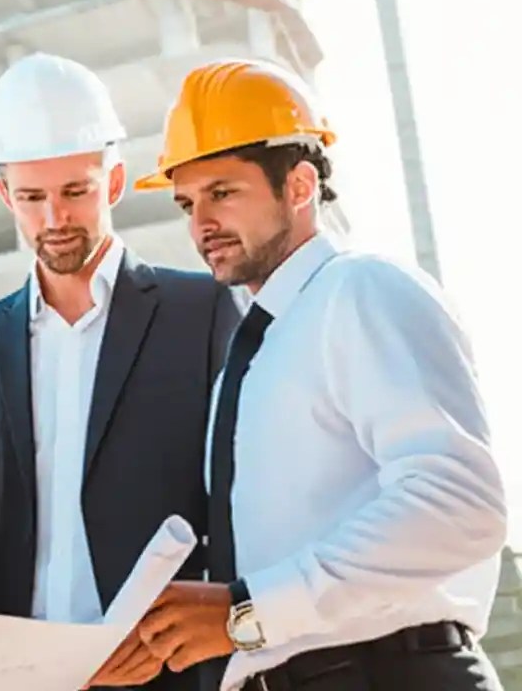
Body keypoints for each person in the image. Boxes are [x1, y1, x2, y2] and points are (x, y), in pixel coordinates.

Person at [132, 59, 507, 691]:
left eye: (223, 193)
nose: (201, 224)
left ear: (300, 187)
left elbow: (459, 504)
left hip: (390, 673)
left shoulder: (361, 289)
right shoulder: (253, 355)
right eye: (187, 203)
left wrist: (246, 612)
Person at [0, 52, 240, 689]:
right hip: (27, 675)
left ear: (114, 181)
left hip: (169, 670)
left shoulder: (205, 311)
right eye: (31, 197)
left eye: (75, 191)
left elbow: (242, 502)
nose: (54, 219)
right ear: (4, 195)